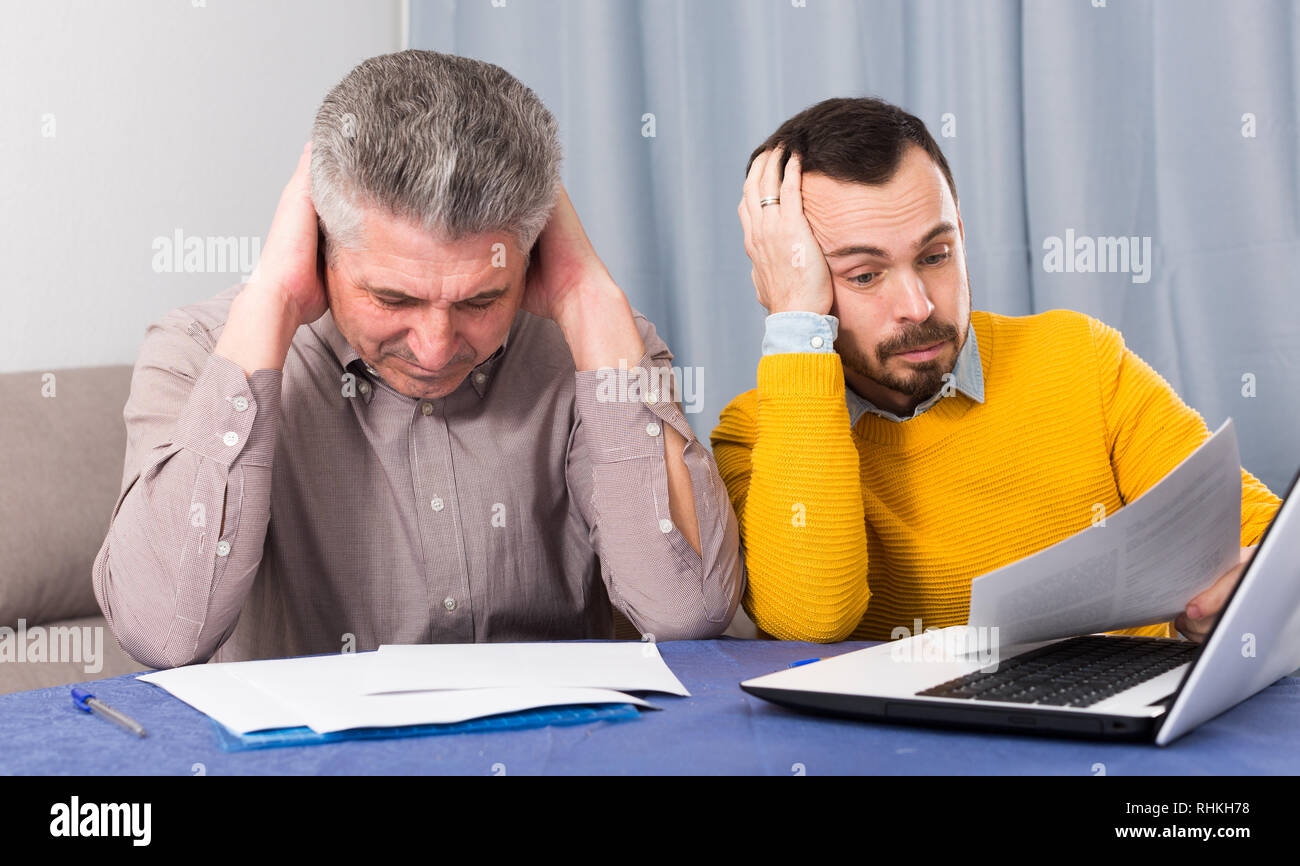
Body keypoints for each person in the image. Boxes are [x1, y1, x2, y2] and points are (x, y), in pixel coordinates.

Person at [93, 50, 742, 669]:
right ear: (320, 245)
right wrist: (270, 298)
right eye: (392, 297)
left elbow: (687, 611)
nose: (434, 347)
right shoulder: (201, 352)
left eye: (480, 300)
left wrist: (587, 296)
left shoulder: (604, 350)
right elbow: (162, 633)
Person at [711, 96, 1279, 644]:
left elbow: (1258, 537)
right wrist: (795, 331)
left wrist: (1249, 593)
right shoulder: (756, 432)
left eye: (935, 255)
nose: (918, 305)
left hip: (1129, 726)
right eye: (864, 274)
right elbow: (812, 619)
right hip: (911, 741)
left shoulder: (1079, 356)